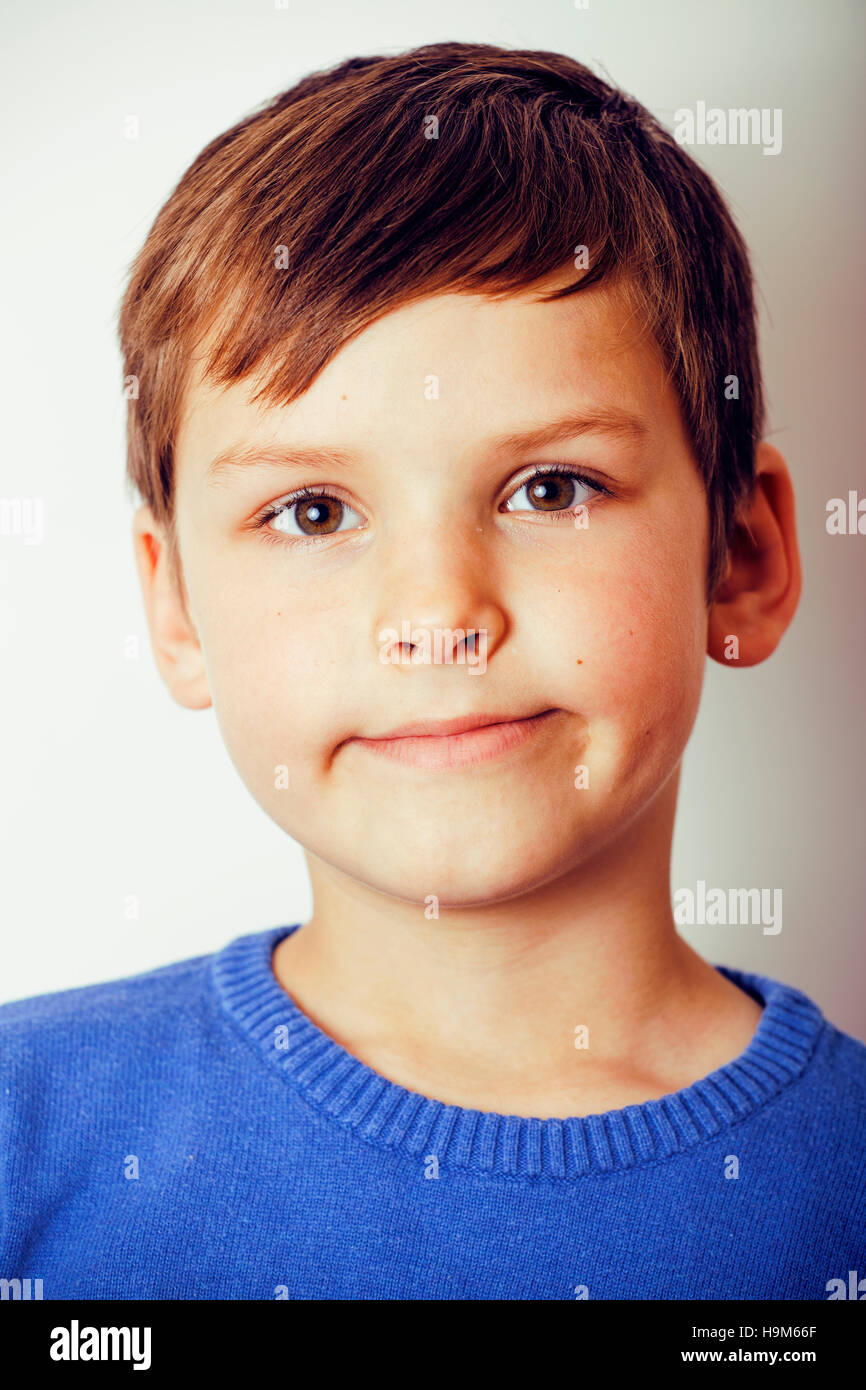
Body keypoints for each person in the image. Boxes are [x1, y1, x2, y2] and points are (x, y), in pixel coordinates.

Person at [1, 41, 863, 1300]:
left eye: (548, 488)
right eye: (310, 512)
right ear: (175, 603)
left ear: (739, 554)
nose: (436, 617)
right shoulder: (25, 1139)